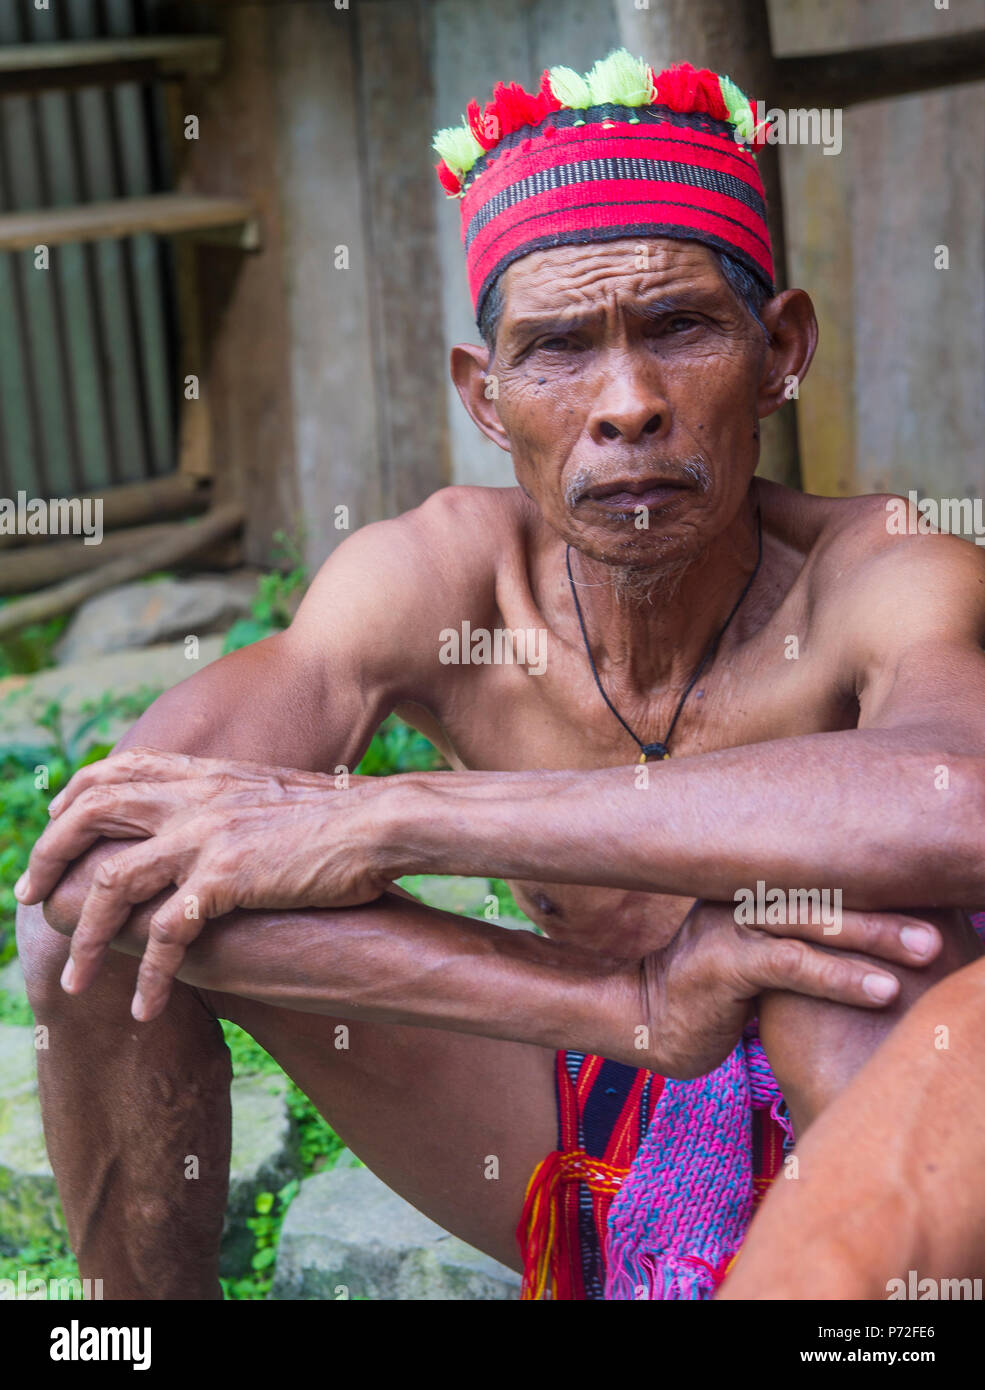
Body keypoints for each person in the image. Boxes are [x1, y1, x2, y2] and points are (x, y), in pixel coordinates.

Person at [15, 51, 985, 1300]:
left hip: (894, 1145)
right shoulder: (438, 575)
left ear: (778, 349)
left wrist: (386, 814)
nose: (626, 403)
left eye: (680, 329)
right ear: (485, 396)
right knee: (100, 912)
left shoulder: (883, 567)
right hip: (577, 1105)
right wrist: (631, 1003)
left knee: (857, 970)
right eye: (558, 348)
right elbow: (112, 837)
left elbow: (956, 800)